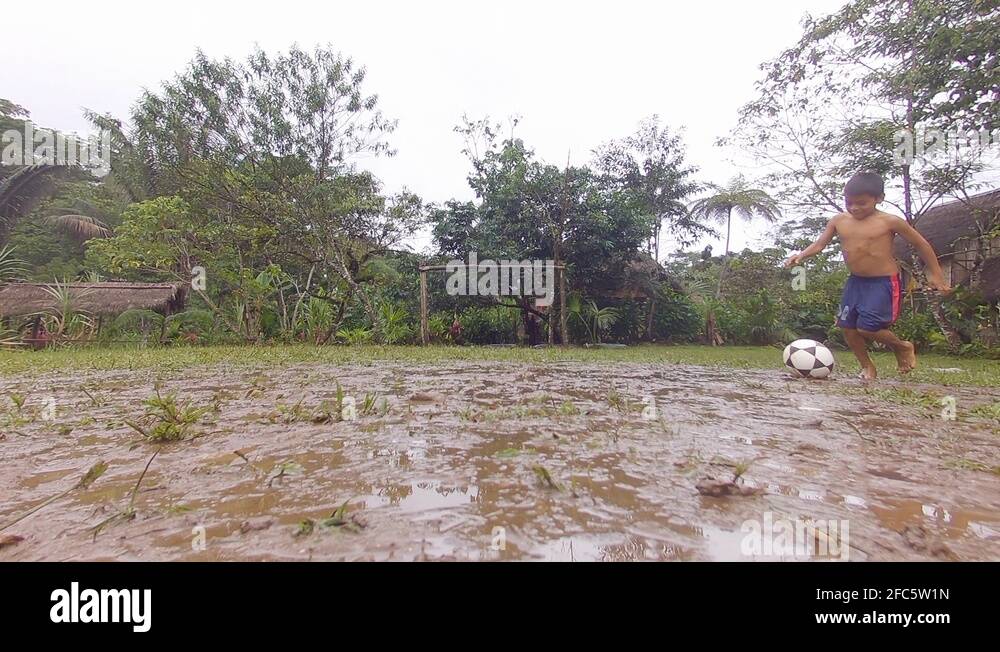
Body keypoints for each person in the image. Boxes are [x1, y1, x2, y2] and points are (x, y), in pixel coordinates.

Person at [785, 172, 950, 380]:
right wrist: (801, 256)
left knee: (868, 328)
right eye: (849, 203)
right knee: (847, 328)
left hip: (883, 283)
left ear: (879, 198)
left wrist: (936, 274)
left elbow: (921, 244)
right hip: (856, 282)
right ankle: (867, 367)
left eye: (861, 203)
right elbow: (819, 244)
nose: (854, 208)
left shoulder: (890, 221)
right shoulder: (838, 221)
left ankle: (902, 346)